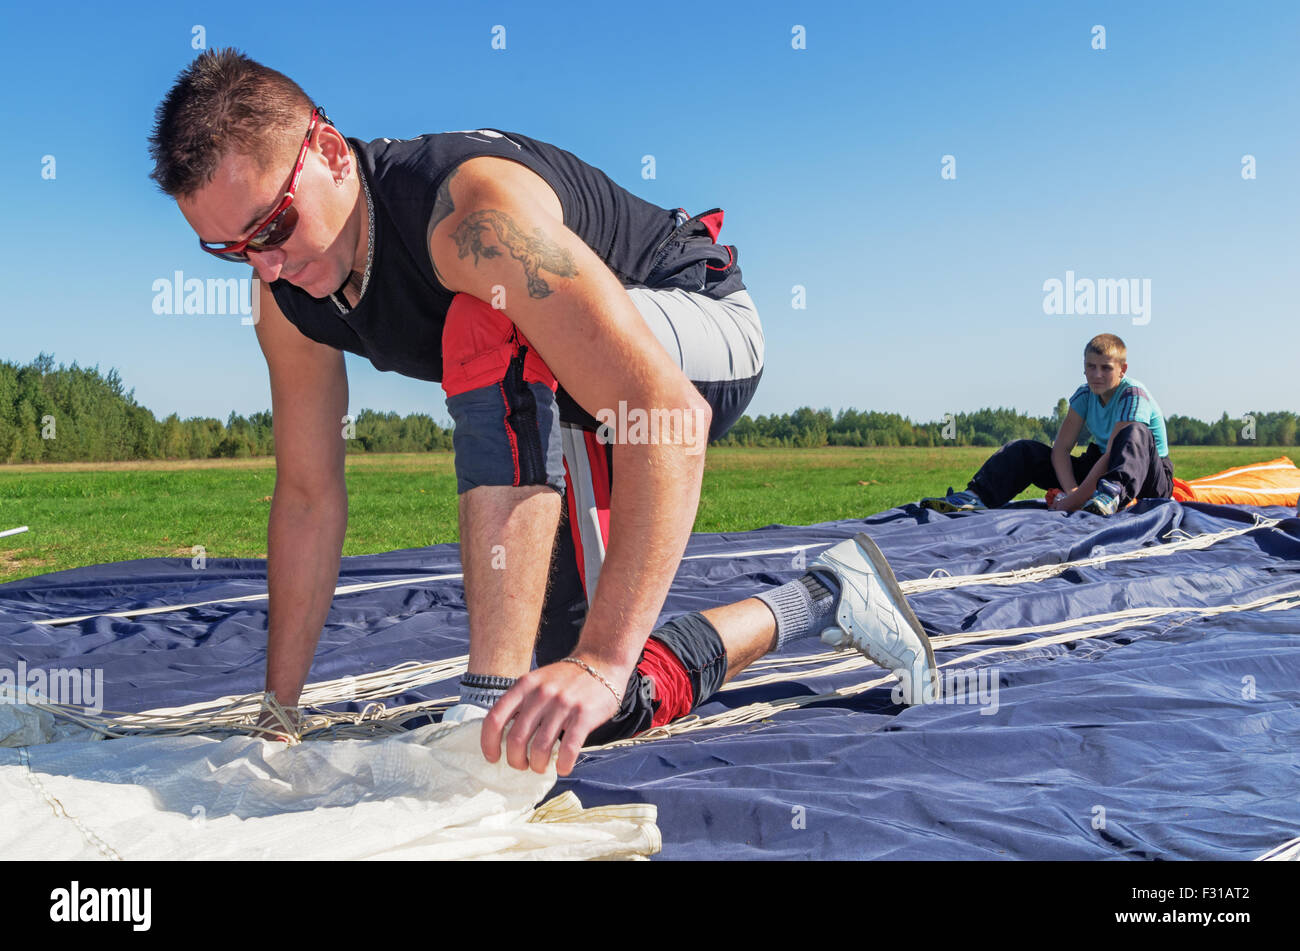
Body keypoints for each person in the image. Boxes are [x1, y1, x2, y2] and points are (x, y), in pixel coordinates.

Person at [147, 49, 937, 776]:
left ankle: (485, 692)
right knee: (575, 716)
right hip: (568, 392)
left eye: (274, 225)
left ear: (324, 149)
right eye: (232, 249)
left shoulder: (470, 216)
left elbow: (666, 412)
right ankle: (826, 595)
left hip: (696, 340)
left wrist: (598, 656)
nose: (268, 263)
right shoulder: (283, 294)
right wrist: (280, 710)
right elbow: (309, 495)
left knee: (488, 318)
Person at [920, 334, 1173, 516]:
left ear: (1122, 369)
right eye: (1090, 367)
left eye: (1105, 368)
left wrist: (1073, 500)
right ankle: (977, 496)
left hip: (1146, 474)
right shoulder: (1085, 395)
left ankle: (1110, 497)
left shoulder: (1133, 395)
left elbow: (1112, 455)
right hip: (1101, 466)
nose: (1096, 375)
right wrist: (1071, 489)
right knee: (1024, 450)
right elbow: (1060, 449)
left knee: (1133, 432)